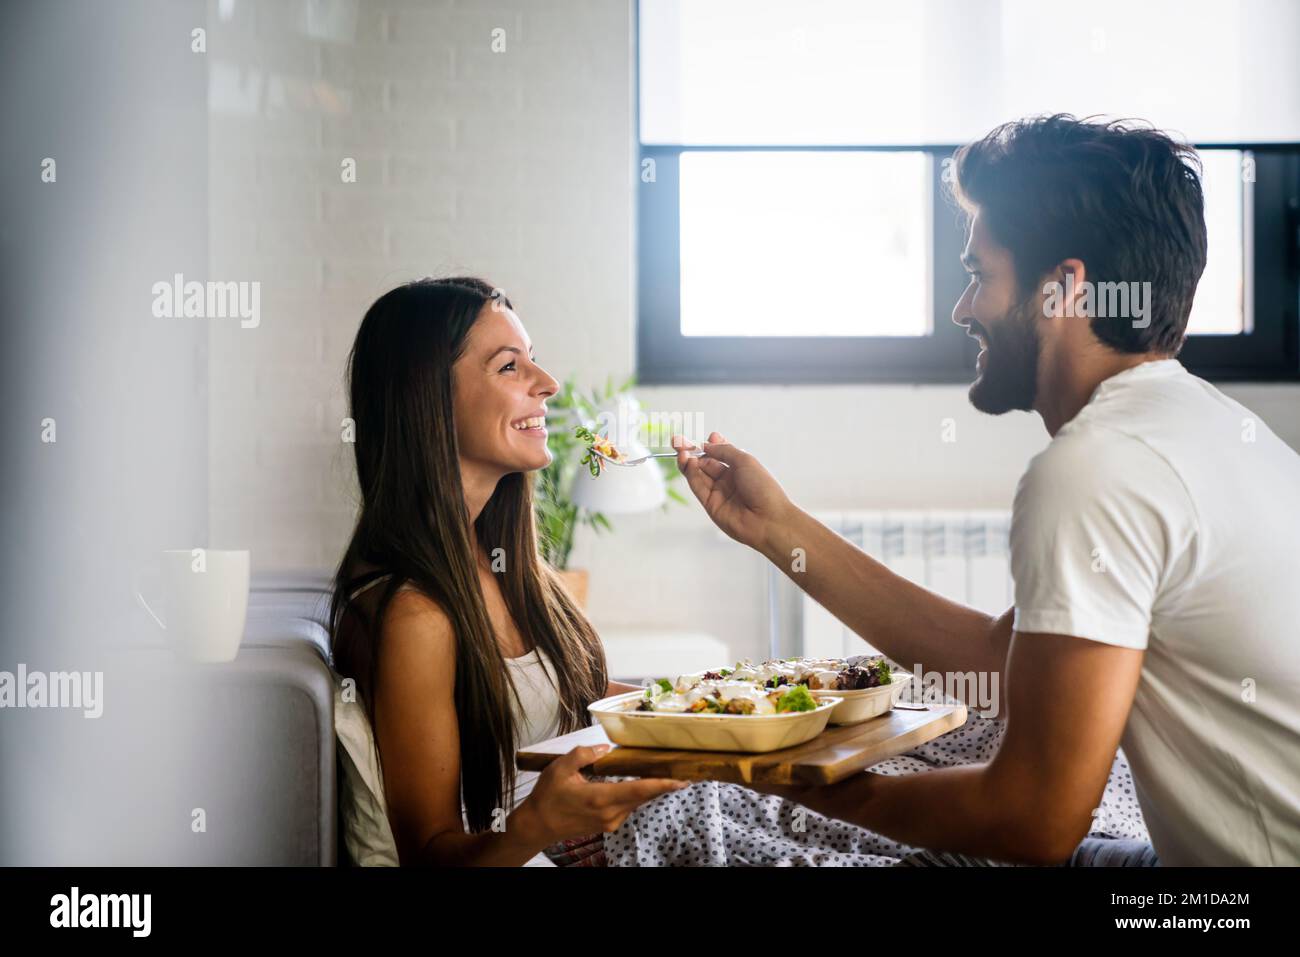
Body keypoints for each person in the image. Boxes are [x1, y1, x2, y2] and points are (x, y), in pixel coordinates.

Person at [670, 115, 1300, 866]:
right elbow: (1004, 658)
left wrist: (816, 788)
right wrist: (777, 527)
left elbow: (1032, 819)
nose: (962, 310)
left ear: (1064, 288)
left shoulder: (1100, 465)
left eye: (979, 276)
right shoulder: (1213, 430)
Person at [328, 277, 689, 866]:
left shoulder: (504, 566)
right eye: (507, 367)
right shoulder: (415, 615)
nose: (546, 385)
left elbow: (582, 700)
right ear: (428, 399)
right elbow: (430, 856)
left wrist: (722, 704)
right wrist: (534, 826)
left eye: (534, 361)